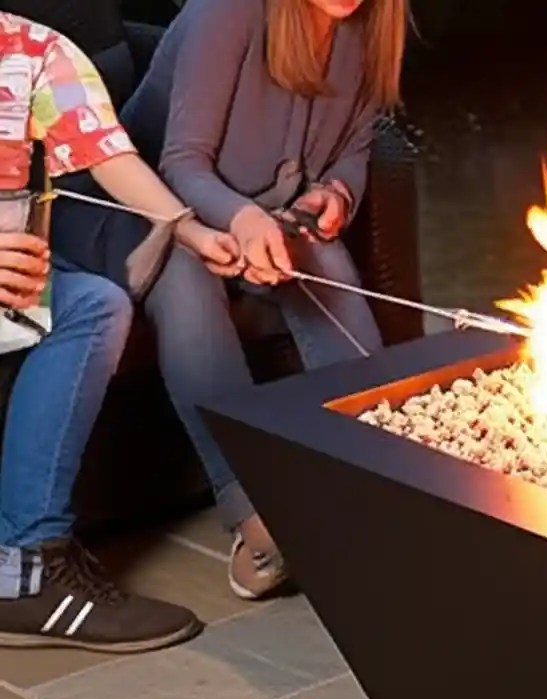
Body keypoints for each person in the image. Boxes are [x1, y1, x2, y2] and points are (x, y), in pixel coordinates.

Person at [117, 0, 407, 600]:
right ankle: (255, 520)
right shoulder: (228, 11)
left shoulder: (372, 27)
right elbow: (180, 162)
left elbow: (356, 149)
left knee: (325, 259)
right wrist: (242, 218)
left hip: (264, 215)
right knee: (187, 279)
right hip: (156, 216)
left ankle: (376, 471)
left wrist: (336, 194)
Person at [0, 11, 241, 651]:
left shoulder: (32, 50)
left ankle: (26, 568)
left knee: (94, 304)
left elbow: (107, 152)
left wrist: (190, 231)